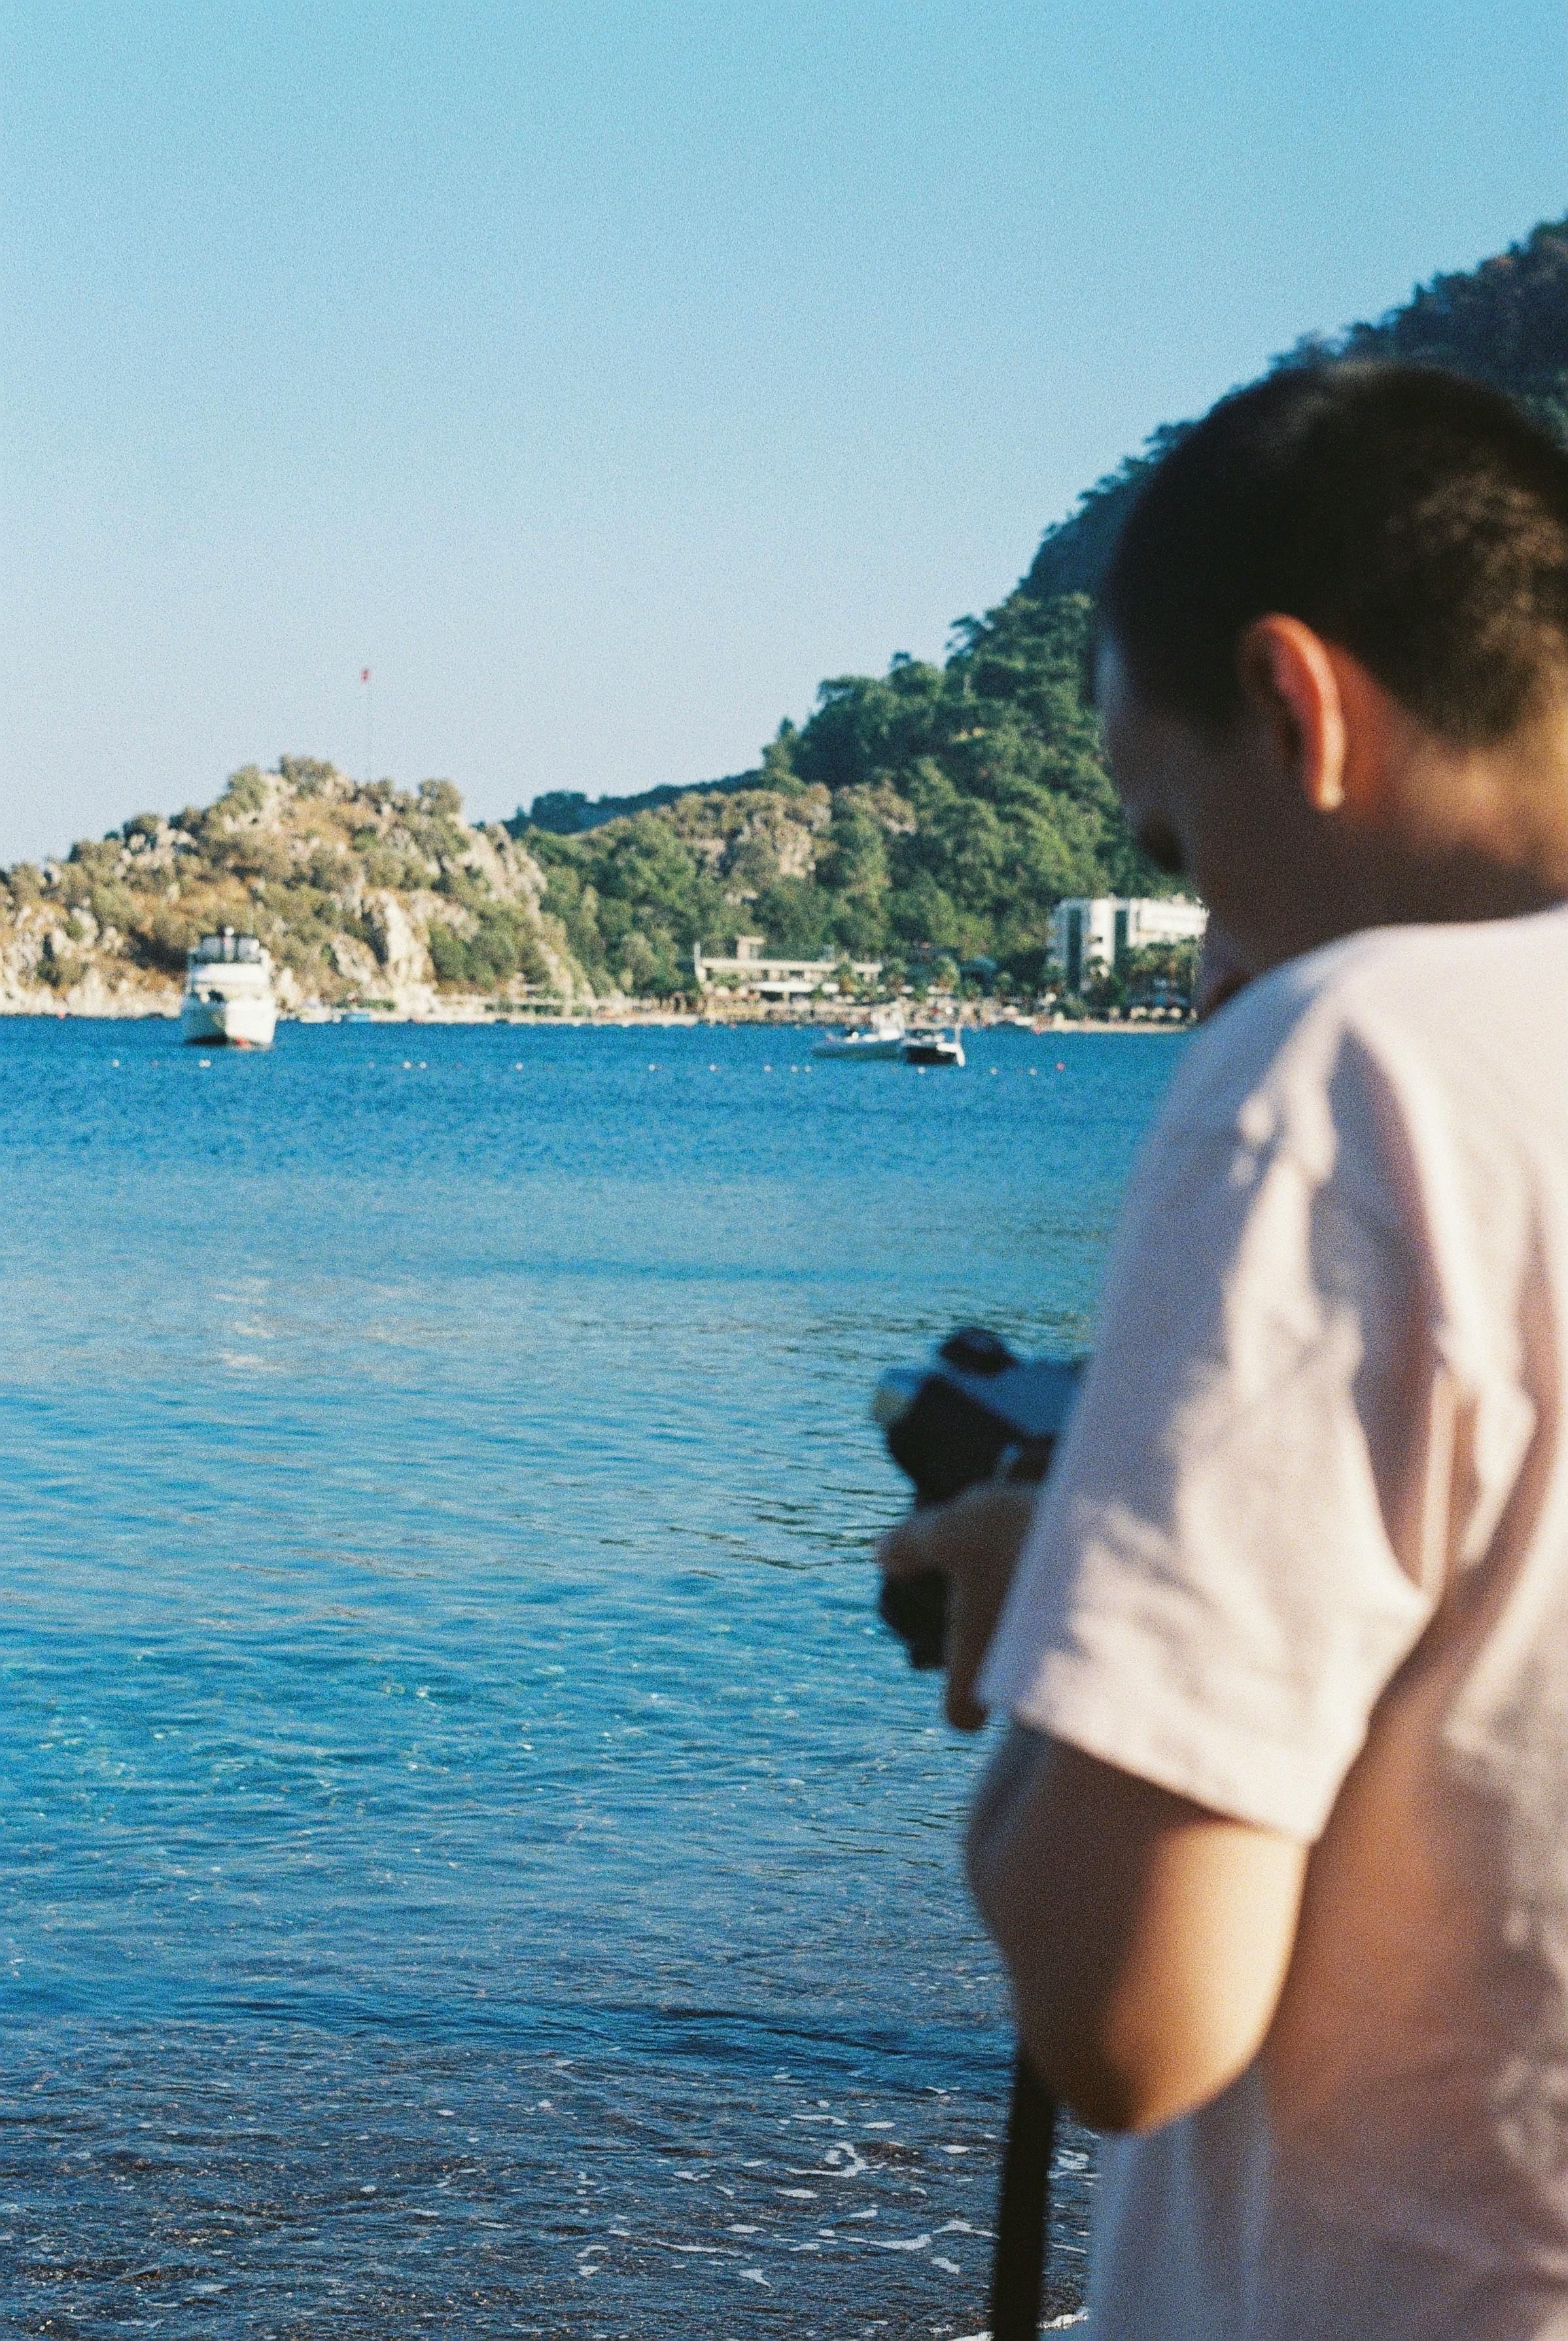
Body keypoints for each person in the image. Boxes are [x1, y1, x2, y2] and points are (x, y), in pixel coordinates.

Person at [881, 362, 1567, 2340]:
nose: (1203, 958)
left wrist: (1056, 1615)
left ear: (1299, 707)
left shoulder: (1352, 1074)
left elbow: (1133, 2013)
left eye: (1174, 845)